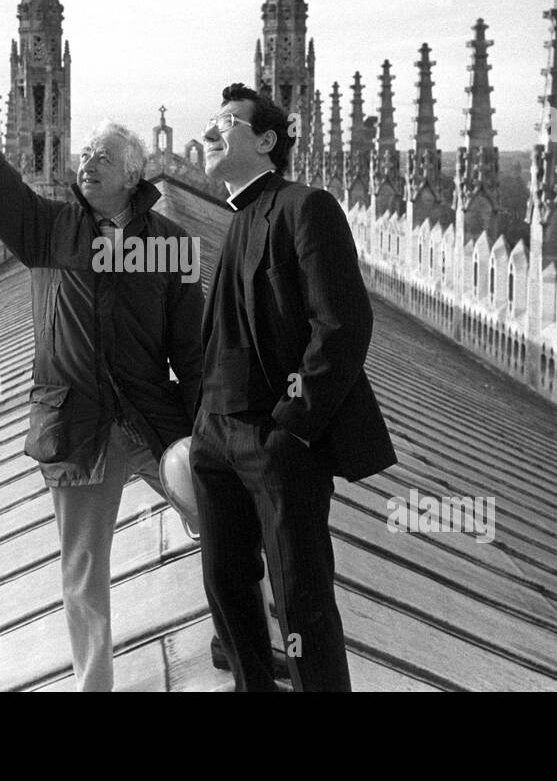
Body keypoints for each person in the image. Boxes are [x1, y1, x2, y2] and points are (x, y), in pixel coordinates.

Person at [0, 33, 203, 692]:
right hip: (78, 421)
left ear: (131, 176)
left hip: (149, 415)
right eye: (86, 156)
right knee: (84, 568)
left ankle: (241, 638)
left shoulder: (172, 244)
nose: (87, 165)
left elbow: (191, 349)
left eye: (102, 158)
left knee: (224, 514)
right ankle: (94, 685)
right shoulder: (50, 229)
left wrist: (204, 430)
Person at [191, 82, 398, 692]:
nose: (208, 131)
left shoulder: (304, 207)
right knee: (227, 588)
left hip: (272, 440)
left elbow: (343, 324)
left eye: (225, 122)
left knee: (300, 604)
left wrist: (291, 428)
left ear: (265, 141)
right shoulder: (235, 220)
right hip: (216, 439)